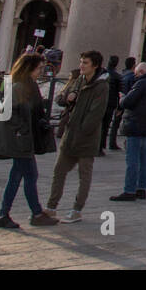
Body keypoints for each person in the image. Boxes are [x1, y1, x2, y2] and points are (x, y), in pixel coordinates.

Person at [0, 53, 59, 228]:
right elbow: (9, 114)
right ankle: (36, 213)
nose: (41, 72)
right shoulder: (19, 87)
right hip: (20, 141)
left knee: (17, 177)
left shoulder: (28, 86)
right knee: (30, 175)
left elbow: (31, 112)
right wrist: (21, 131)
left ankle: (4, 214)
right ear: (29, 68)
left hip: (24, 139)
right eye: (39, 68)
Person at [46, 50, 110, 224]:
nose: (81, 65)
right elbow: (60, 99)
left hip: (86, 137)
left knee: (84, 175)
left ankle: (76, 210)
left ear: (95, 66)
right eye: (81, 61)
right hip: (70, 133)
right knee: (59, 171)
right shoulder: (78, 80)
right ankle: (51, 207)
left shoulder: (102, 86)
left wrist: (82, 131)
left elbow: (95, 114)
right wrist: (68, 97)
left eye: (85, 63)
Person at [110, 62, 146, 202]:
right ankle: (141, 188)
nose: (135, 76)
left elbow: (127, 102)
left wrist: (122, 98)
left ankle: (129, 190)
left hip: (135, 123)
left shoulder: (141, 84)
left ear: (141, 72)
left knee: (132, 159)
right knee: (144, 158)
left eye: (136, 74)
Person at [108, 56, 137, 150]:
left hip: (119, 100)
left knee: (115, 124)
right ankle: (124, 143)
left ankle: (111, 142)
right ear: (133, 65)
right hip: (126, 101)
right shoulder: (132, 77)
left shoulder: (121, 74)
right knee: (127, 122)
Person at [99, 55, 122, 156]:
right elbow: (119, 92)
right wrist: (119, 106)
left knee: (99, 125)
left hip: (101, 102)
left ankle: (98, 146)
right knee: (105, 126)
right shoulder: (117, 76)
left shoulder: (102, 73)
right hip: (110, 103)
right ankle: (100, 146)